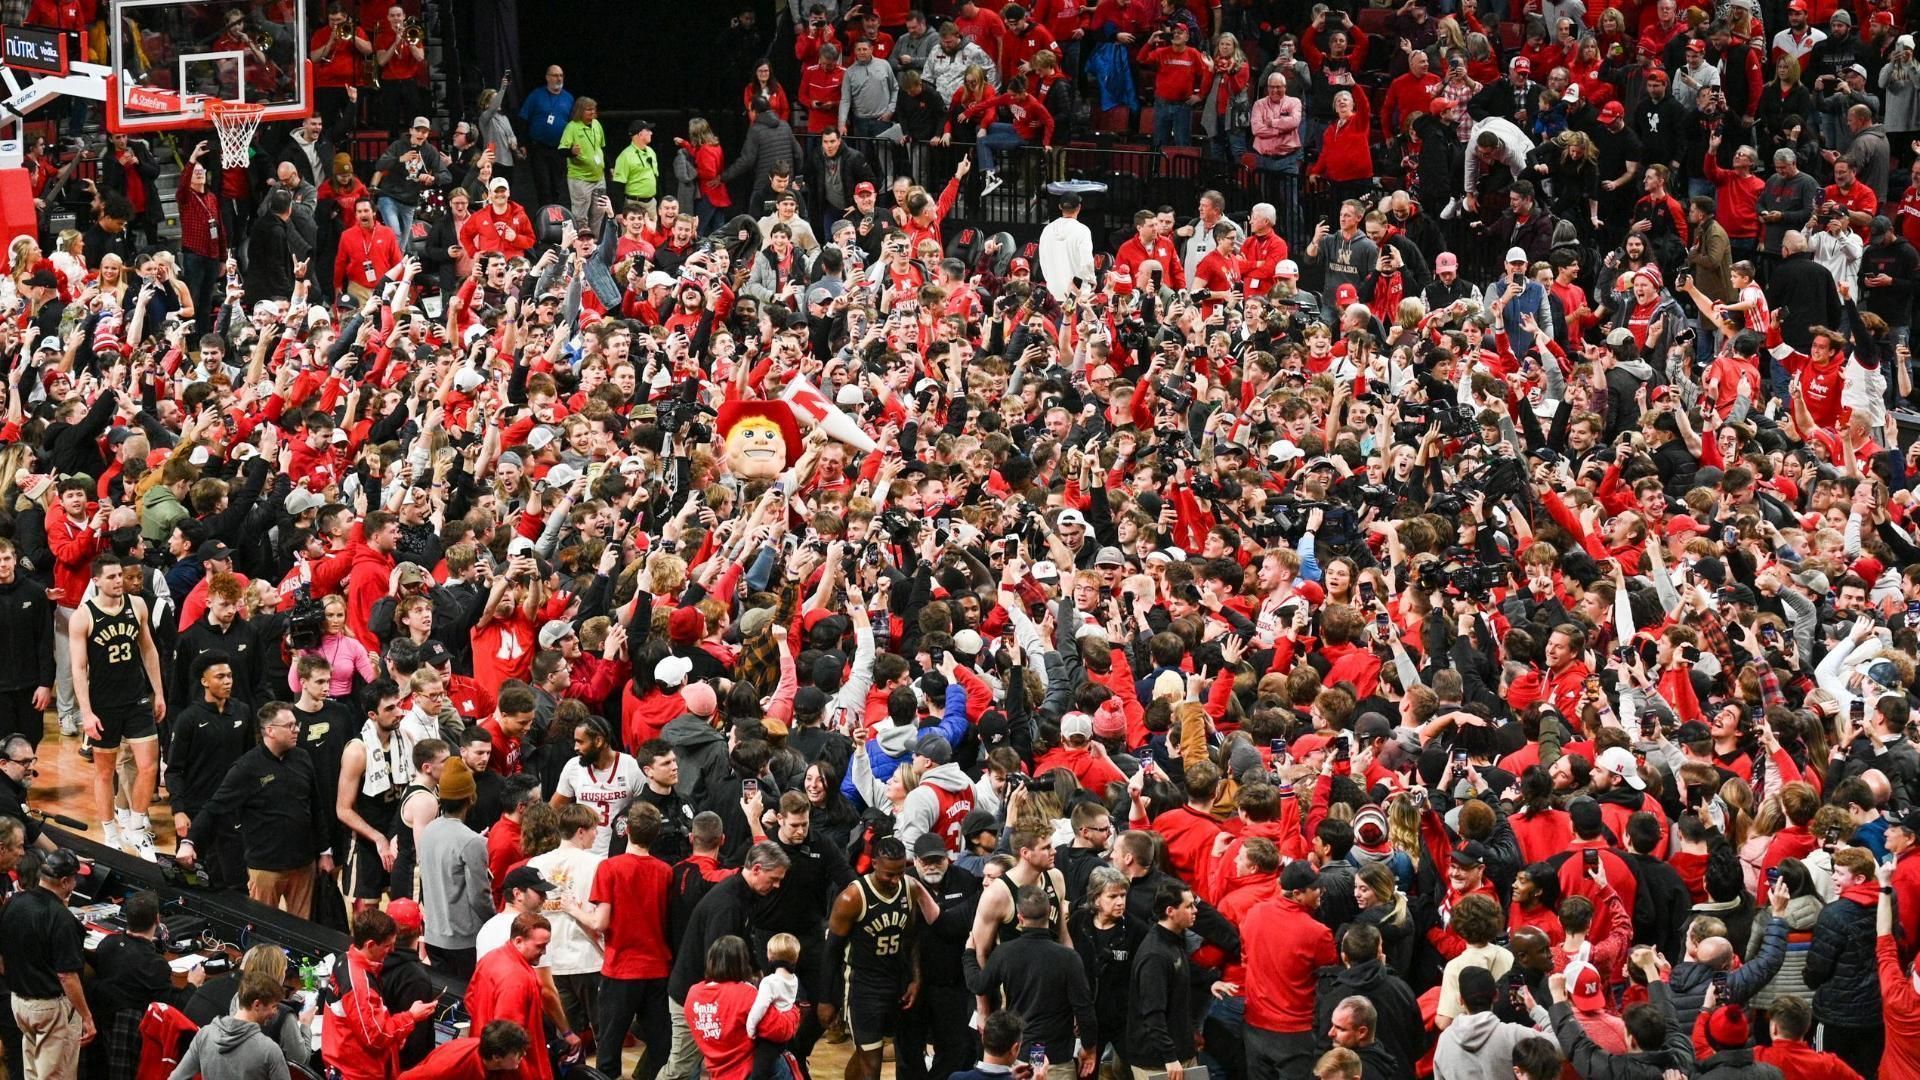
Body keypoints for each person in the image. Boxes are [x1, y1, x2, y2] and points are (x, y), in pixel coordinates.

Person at [176, 701, 334, 918]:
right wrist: (189, 842)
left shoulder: (303, 758)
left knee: (304, 930)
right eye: (290, 726)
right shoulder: (246, 767)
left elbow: (317, 807)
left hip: (303, 865)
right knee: (263, 927)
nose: (297, 730)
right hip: (266, 868)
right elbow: (214, 807)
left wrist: (325, 852)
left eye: (296, 724)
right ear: (270, 731)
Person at [69, 555, 165, 862]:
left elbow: (148, 650)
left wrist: (159, 693)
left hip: (136, 698)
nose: (118, 581)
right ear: (96, 581)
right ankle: (110, 833)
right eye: (111, 577)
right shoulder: (83, 616)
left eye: (119, 575)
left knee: (148, 765)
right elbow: (78, 667)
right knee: (104, 772)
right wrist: (86, 712)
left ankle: (136, 827)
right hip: (104, 704)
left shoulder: (137, 605)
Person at [2, 849, 92, 1080]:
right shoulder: (61, 918)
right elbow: (67, 976)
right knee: (56, 1075)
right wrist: (86, 1016)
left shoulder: (14, 902)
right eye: (74, 879)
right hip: (49, 1008)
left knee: (33, 1073)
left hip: (19, 1004)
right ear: (65, 881)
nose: (75, 884)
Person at [467, 914, 570, 1080]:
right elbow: (508, 1040)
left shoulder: (490, 958)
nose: (544, 952)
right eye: (540, 946)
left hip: (485, 1058)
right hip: (513, 1069)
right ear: (518, 941)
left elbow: (470, 999)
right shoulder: (517, 980)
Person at [417, 757, 494, 977]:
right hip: (464, 942)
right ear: (471, 797)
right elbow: (479, 896)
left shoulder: (429, 831)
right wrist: (495, 921)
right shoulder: (472, 841)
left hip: (433, 936)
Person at [168, 974, 292, 1080]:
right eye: (274, 1007)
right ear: (257, 1005)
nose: (275, 1012)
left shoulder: (205, 1034)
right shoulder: (269, 1050)